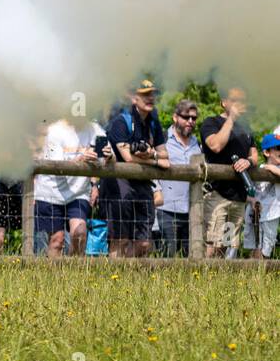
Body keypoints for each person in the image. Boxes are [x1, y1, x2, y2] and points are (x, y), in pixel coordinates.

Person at [103, 80, 169, 257]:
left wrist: (150, 153)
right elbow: (128, 158)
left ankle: (130, 276)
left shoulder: (154, 122)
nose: (150, 98)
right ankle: (115, 278)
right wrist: (154, 160)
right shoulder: (120, 121)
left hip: (144, 185)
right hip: (119, 185)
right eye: (145, 94)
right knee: (120, 239)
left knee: (144, 243)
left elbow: (166, 157)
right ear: (134, 98)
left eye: (152, 94)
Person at [198, 86, 256, 259]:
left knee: (226, 246)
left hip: (238, 198)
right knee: (212, 245)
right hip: (217, 195)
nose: (241, 104)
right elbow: (216, 146)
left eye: (243, 100)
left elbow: (254, 155)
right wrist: (231, 119)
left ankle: (218, 281)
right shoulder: (211, 122)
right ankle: (204, 280)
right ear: (224, 103)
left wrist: (249, 161)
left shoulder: (246, 127)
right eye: (235, 100)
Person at [34, 118, 105, 257]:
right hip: (51, 191)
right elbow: (57, 167)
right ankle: (55, 277)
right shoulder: (55, 130)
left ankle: (75, 273)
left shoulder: (95, 129)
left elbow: (106, 158)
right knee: (57, 241)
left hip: (78, 192)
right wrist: (81, 158)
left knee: (79, 234)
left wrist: (107, 157)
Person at [159, 99, 200, 257]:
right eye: (186, 117)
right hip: (166, 209)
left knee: (190, 257)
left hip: (192, 210)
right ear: (175, 117)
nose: (190, 121)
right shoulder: (162, 140)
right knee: (167, 255)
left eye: (194, 118)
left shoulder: (197, 144)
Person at [247, 134, 280, 259]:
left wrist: (275, 170)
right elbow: (246, 192)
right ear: (266, 152)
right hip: (255, 213)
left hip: (273, 215)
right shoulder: (258, 170)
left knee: (267, 248)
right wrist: (251, 200)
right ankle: (252, 274)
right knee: (254, 246)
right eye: (277, 148)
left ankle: (261, 276)